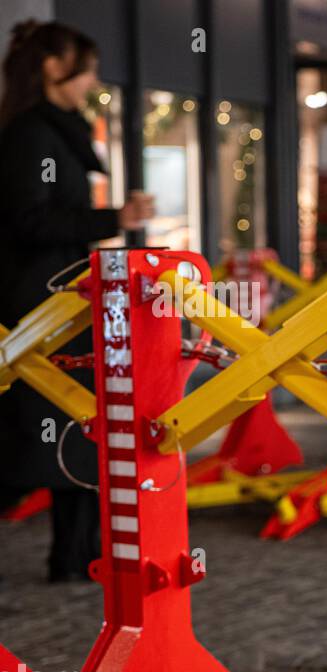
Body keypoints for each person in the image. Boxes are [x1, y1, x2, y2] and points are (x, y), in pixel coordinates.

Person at [0, 20, 154, 582]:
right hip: (41, 309)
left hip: (61, 304)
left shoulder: (51, 131)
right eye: (86, 68)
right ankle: (75, 555)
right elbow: (29, 219)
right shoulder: (31, 136)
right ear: (52, 67)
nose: (92, 80)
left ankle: (77, 556)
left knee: (73, 431)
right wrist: (115, 219)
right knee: (46, 433)